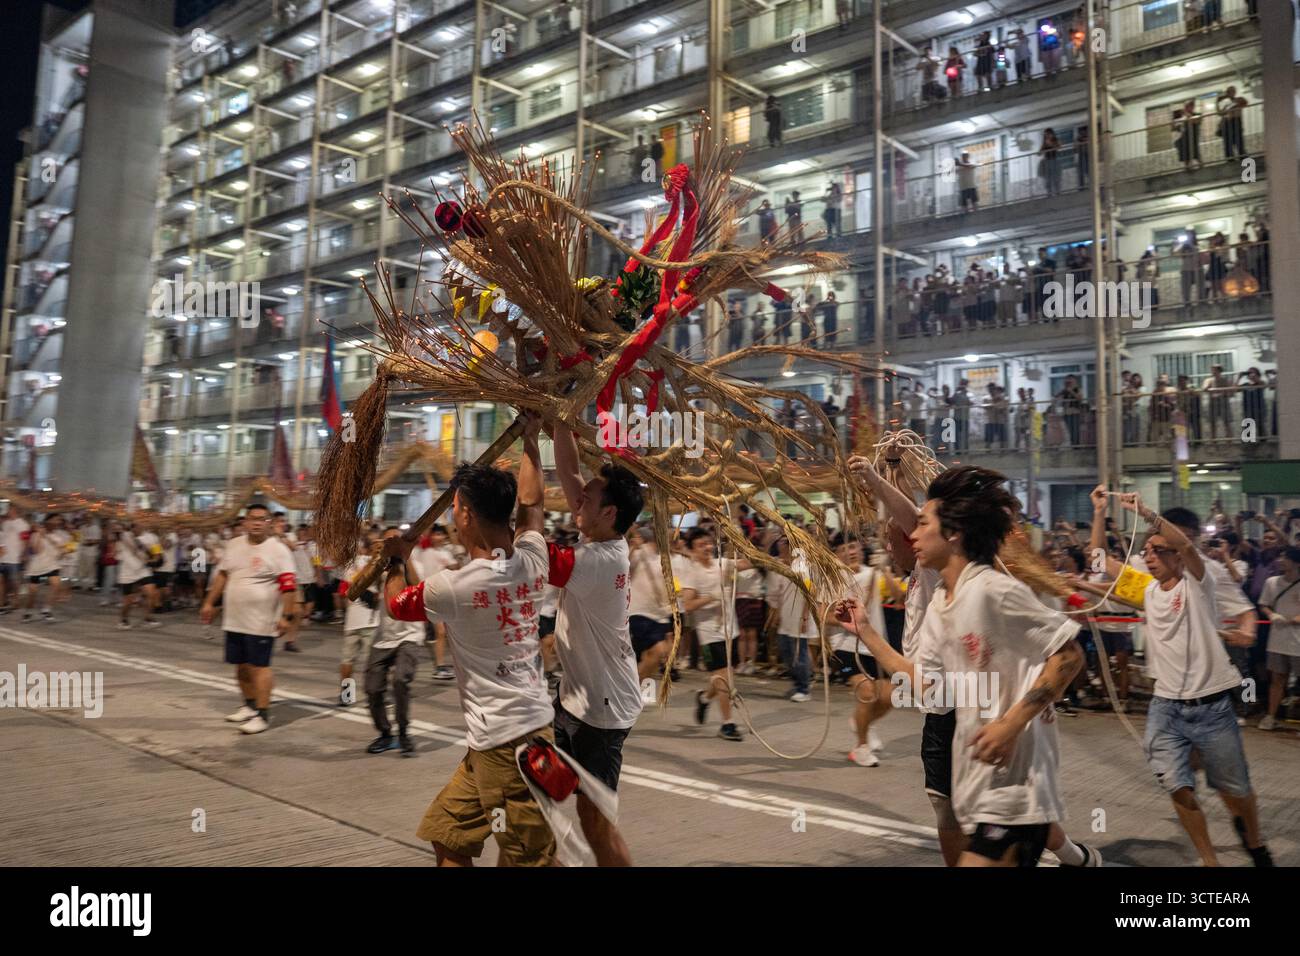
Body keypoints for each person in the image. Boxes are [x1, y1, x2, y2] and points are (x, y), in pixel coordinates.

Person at [842, 464, 1097, 867]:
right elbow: (927, 686)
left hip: (1017, 787)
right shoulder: (942, 602)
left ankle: (1077, 858)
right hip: (979, 786)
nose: (912, 533)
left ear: (953, 533)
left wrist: (1010, 725)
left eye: (922, 523)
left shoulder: (993, 590)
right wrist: (865, 632)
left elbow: (1068, 656)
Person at [384, 418, 558, 866]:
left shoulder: (454, 587)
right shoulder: (534, 560)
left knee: (529, 859)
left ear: (464, 514)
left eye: (454, 508)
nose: (452, 516)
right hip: (502, 738)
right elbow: (533, 507)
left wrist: (394, 560)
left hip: (510, 744)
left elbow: (397, 605)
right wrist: (533, 440)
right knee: (450, 834)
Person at [1089, 487, 1272, 866]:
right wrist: (1098, 512)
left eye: (1157, 550)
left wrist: (1148, 513)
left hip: (1212, 707)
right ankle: (1209, 860)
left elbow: (1189, 553)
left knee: (1235, 789)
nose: (1148, 556)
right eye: (1146, 551)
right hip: (1165, 707)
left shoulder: (1201, 580)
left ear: (1178, 548)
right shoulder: (1149, 587)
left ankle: (1254, 842)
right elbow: (1098, 561)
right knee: (1177, 786)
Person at [545, 421, 645, 866]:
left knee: (595, 820)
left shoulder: (599, 560)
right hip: (577, 697)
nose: (576, 501)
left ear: (609, 513)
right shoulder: (599, 534)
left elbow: (534, 559)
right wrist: (559, 419)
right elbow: (569, 474)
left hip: (603, 710)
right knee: (541, 792)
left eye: (588, 499)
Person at [200, 504, 298, 735]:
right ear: (244, 522)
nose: (256, 523)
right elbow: (223, 575)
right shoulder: (234, 545)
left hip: (261, 622)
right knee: (241, 666)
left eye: (262, 519)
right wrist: (209, 602)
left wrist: (287, 615)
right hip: (234, 619)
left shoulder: (278, 550)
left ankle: (263, 715)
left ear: (269, 523)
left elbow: (289, 586)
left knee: (259, 667)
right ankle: (249, 705)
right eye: (252, 519)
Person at [828, 536, 897, 766]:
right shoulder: (834, 580)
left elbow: (899, 597)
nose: (850, 551)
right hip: (845, 647)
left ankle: (861, 721)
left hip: (875, 647)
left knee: (889, 697)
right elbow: (822, 615)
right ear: (837, 554)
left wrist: (885, 570)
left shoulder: (874, 572)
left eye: (853, 546)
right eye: (844, 548)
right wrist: (845, 621)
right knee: (867, 693)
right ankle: (860, 747)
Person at [679, 527, 747, 738]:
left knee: (724, 678)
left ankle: (705, 698)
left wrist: (739, 539)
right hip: (709, 634)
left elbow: (748, 562)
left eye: (708, 543)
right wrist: (711, 597)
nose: (707, 547)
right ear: (692, 550)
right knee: (723, 678)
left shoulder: (722, 564)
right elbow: (687, 606)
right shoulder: (692, 572)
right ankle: (728, 724)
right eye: (701, 545)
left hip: (730, 630)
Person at [367, 527, 427, 756]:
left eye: (395, 540)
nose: (390, 543)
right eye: (387, 540)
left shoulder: (412, 563)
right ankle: (384, 733)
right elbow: (359, 588)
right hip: (383, 636)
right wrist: (375, 560)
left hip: (409, 634)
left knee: (401, 680)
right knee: (372, 689)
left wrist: (402, 557)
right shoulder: (378, 566)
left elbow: (417, 584)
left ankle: (403, 732)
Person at [1259, 547, 1300, 730]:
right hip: (1277, 640)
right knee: (1277, 680)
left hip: (1298, 641)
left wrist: (1295, 619)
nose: (1280, 560)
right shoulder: (1272, 582)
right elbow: (1264, 604)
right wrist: (1271, 615)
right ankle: (1270, 716)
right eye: (1281, 556)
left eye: (1285, 557)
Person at [336, 535, 380, 708]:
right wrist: (374, 561)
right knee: (350, 661)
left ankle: (368, 696)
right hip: (356, 622)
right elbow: (355, 582)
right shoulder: (352, 564)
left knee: (364, 662)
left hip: (370, 621)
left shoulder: (377, 563)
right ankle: (348, 696)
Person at [22, 515, 69, 623]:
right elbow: (36, 550)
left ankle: (47, 609)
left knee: (56, 584)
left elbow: (62, 552)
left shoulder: (59, 536)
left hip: (52, 564)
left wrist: (49, 539)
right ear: (48, 521)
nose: (57, 523)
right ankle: (28, 611)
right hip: (37, 565)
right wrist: (40, 535)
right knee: (33, 592)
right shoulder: (36, 534)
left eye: (59, 521)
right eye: (55, 520)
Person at [117, 523, 161, 630]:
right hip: (127, 572)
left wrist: (155, 558)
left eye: (141, 525)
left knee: (151, 593)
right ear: (132, 527)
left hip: (142, 570)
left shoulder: (152, 537)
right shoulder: (125, 535)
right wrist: (142, 552)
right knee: (129, 601)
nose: (139, 527)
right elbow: (132, 548)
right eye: (136, 526)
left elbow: (157, 552)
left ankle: (148, 618)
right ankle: (124, 620)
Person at [1202, 363, 1234, 441]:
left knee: (1226, 423)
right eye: (1212, 369)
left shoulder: (1225, 380)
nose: (1213, 371)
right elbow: (1204, 388)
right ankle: (1213, 441)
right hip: (1213, 404)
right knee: (1212, 423)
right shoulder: (1209, 380)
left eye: (1215, 369)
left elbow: (1231, 393)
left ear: (1219, 370)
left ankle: (1229, 441)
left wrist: (1220, 394)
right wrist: (1209, 387)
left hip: (1224, 403)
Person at [1039, 128, 1062, 196]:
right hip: (1046, 161)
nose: (1047, 136)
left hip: (1054, 160)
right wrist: (1043, 148)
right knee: (1048, 179)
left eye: (1048, 134)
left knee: (1056, 178)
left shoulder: (1055, 140)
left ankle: (1057, 192)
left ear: (1052, 134)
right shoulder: (1044, 142)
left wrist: (1051, 144)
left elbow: (1059, 147)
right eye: (1046, 135)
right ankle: (1049, 193)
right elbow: (1039, 153)